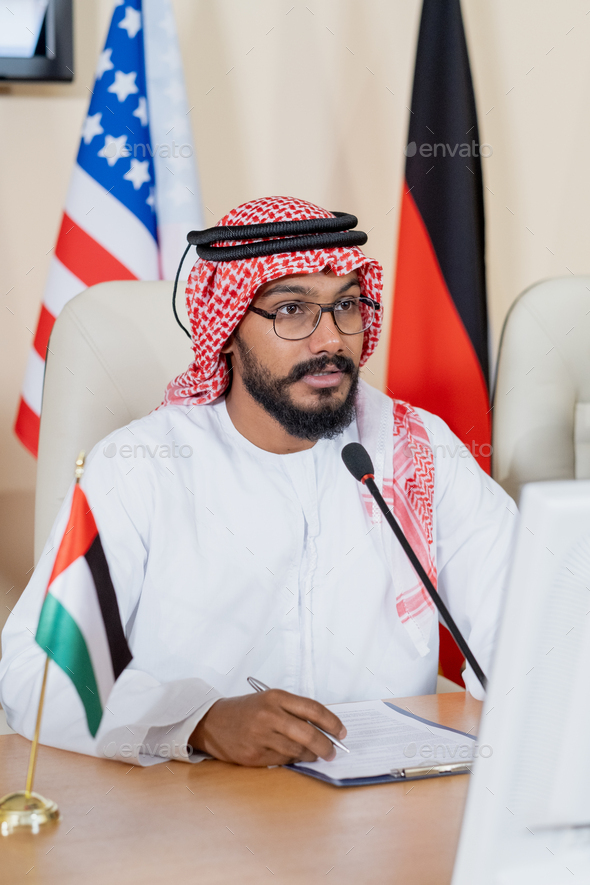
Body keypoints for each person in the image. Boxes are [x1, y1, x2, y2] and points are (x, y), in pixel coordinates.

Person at [0, 197, 516, 768]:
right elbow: (39, 672)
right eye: (292, 309)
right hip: (193, 813)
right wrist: (199, 722)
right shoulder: (139, 464)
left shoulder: (418, 448)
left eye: (346, 305)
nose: (330, 341)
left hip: (389, 807)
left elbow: (527, 627)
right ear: (226, 328)